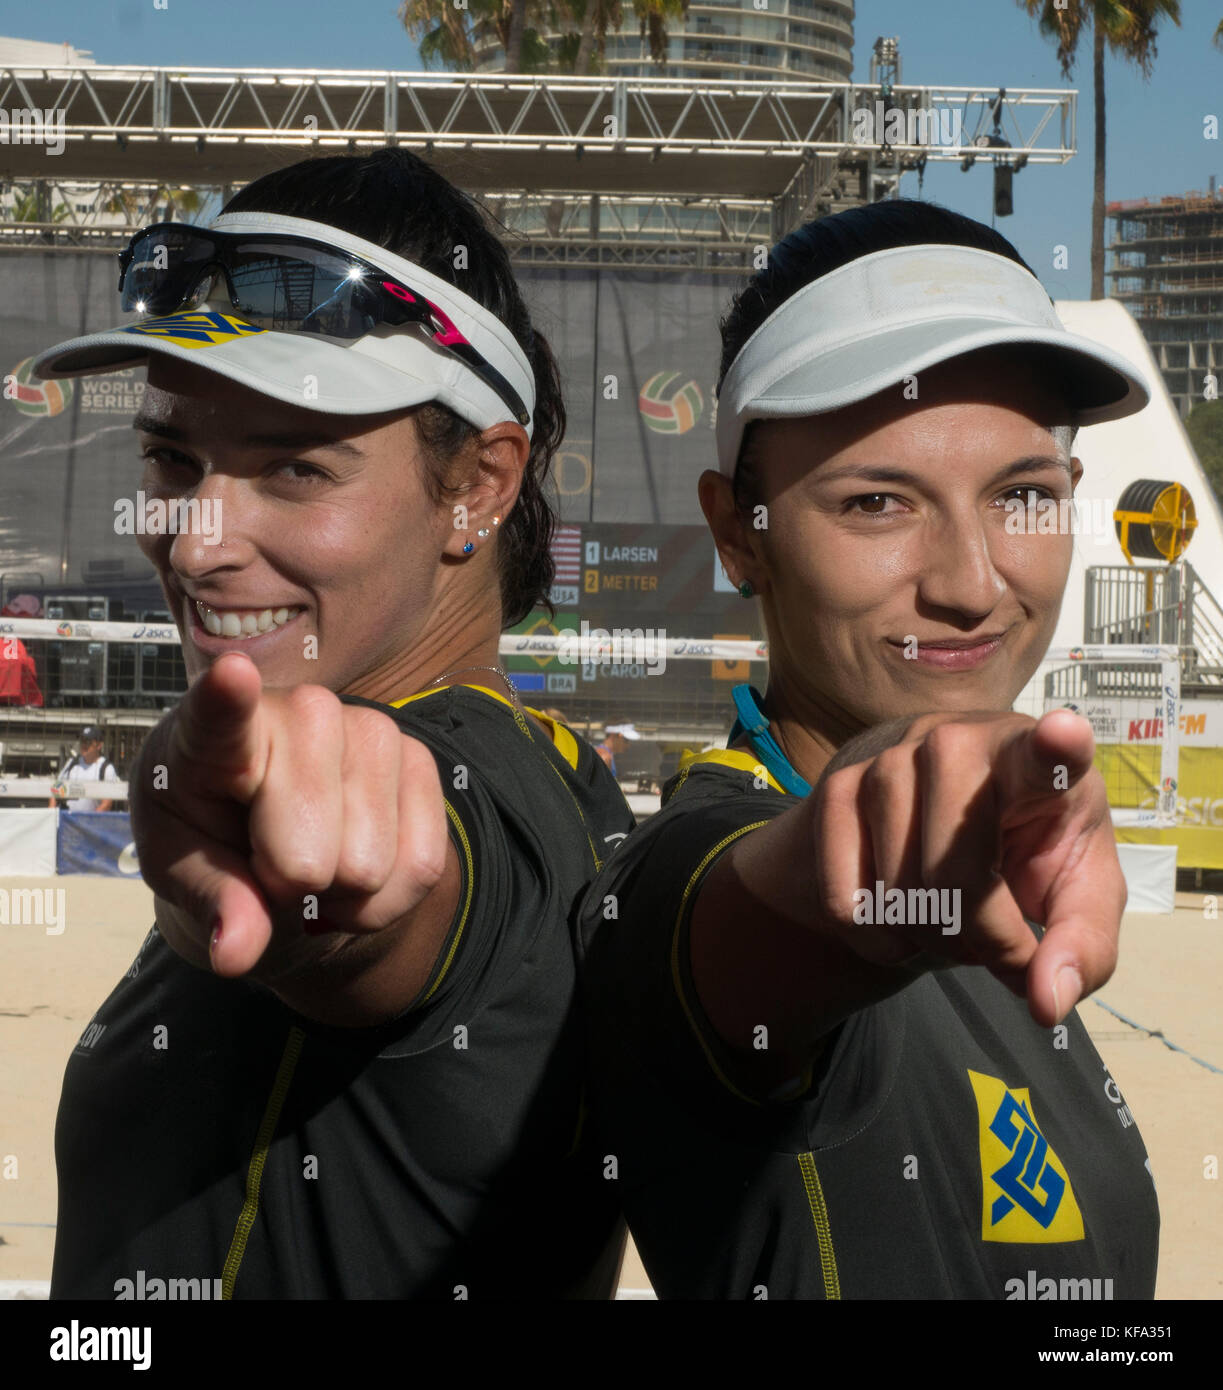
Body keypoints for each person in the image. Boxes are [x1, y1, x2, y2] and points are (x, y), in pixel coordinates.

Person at [31, 148, 634, 1299]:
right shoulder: (563, 774)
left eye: (295, 468)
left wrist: (302, 877)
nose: (197, 540)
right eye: (172, 456)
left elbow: (393, 889)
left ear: (480, 484)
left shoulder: (450, 786)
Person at [576, 200, 1160, 1300]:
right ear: (733, 533)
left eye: (1019, 496)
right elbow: (757, 913)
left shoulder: (1006, 885)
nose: (972, 582)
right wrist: (884, 837)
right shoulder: (692, 866)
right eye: (877, 501)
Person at [48, 726, 118, 811]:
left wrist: (88, 820)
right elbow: (56, 790)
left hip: (91, 822)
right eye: (82, 741)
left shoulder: (106, 768)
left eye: (88, 742)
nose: (84, 745)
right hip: (68, 820)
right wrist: (51, 814)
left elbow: (107, 803)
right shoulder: (72, 763)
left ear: (99, 745)